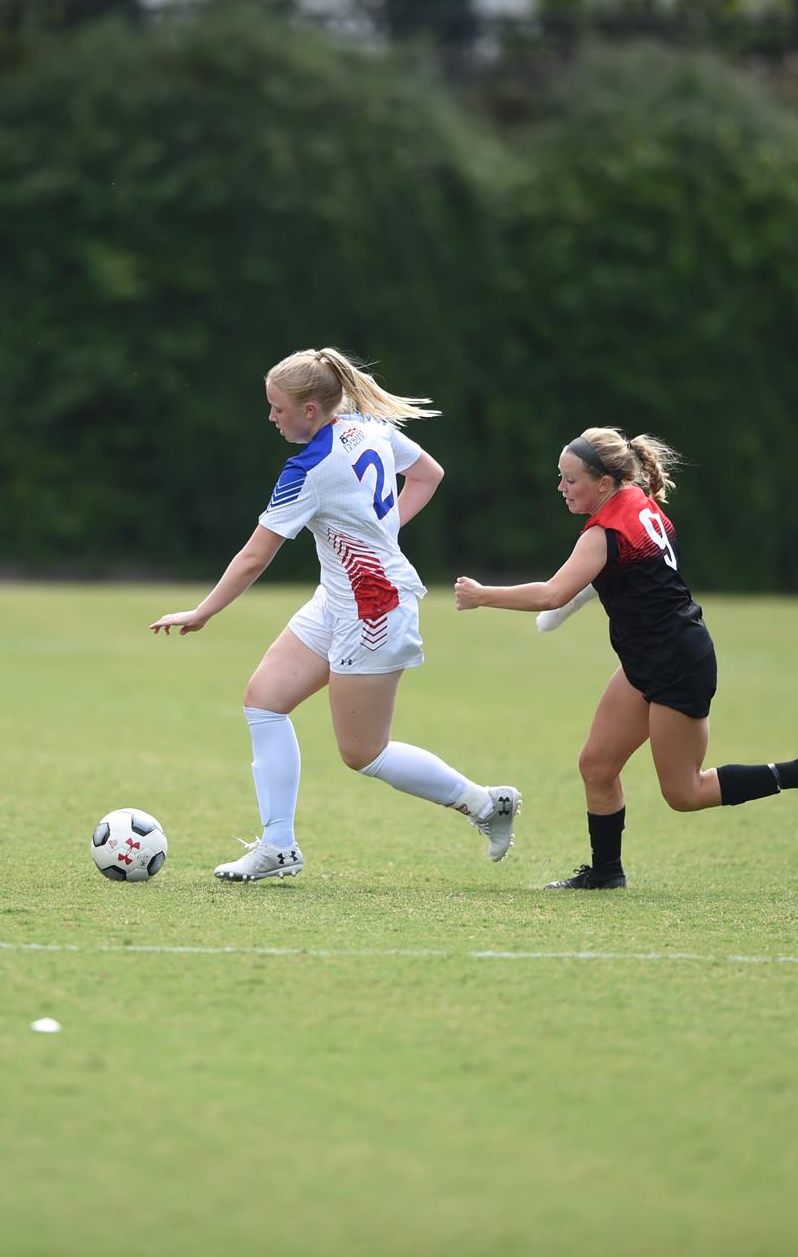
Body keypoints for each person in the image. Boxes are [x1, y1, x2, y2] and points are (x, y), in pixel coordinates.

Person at [148, 348, 520, 881]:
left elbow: (256, 555)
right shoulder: (368, 426)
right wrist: (383, 532)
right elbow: (428, 476)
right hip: (339, 595)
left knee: (364, 753)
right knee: (264, 701)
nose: (271, 418)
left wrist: (204, 611)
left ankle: (486, 804)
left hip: (374, 608)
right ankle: (278, 847)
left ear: (311, 410)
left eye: (278, 408)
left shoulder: (309, 468)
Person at [454, 428, 798, 890]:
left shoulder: (605, 531)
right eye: (559, 478)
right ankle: (605, 872)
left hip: (678, 662)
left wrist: (483, 596)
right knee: (597, 766)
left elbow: (553, 592)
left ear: (604, 482)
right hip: (647, 658)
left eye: (570, 480)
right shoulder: (634, 499)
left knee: (685, 792)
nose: (561, 488)